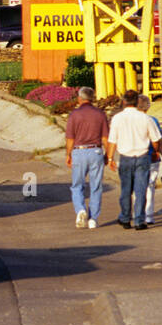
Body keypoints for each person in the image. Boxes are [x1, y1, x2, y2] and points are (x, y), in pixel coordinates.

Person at [106, 88, 162, 230]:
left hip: (125, 158)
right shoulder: (146, 118)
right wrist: (156, 151)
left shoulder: (117, 118)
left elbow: (112, 140)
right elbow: (156, 139)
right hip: (143, 157)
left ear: (124, 101)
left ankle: (125, 218)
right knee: (141, 190)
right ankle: (139, 220)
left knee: (126, 190)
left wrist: (110, 158)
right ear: (137, 101)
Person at [65, 86, 109, 229]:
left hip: (79, 152)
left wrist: (68, 154)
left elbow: (70, 138)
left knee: (77, 185)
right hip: (96, 151)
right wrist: (108, 155)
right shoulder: (100, 114)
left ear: (80, 98)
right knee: (96, 186)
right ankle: (93, 219)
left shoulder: (74, 115)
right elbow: (105, 138)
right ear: (92, 98)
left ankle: (80, 209)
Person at [138, 95, 162, 227]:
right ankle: (149, 215)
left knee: (137, 187)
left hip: (135, 158)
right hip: (152, 157)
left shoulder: (129, 121)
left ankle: (138, 213)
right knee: (150, 186)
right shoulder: (153, 120)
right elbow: (159, 141)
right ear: (148, 107)